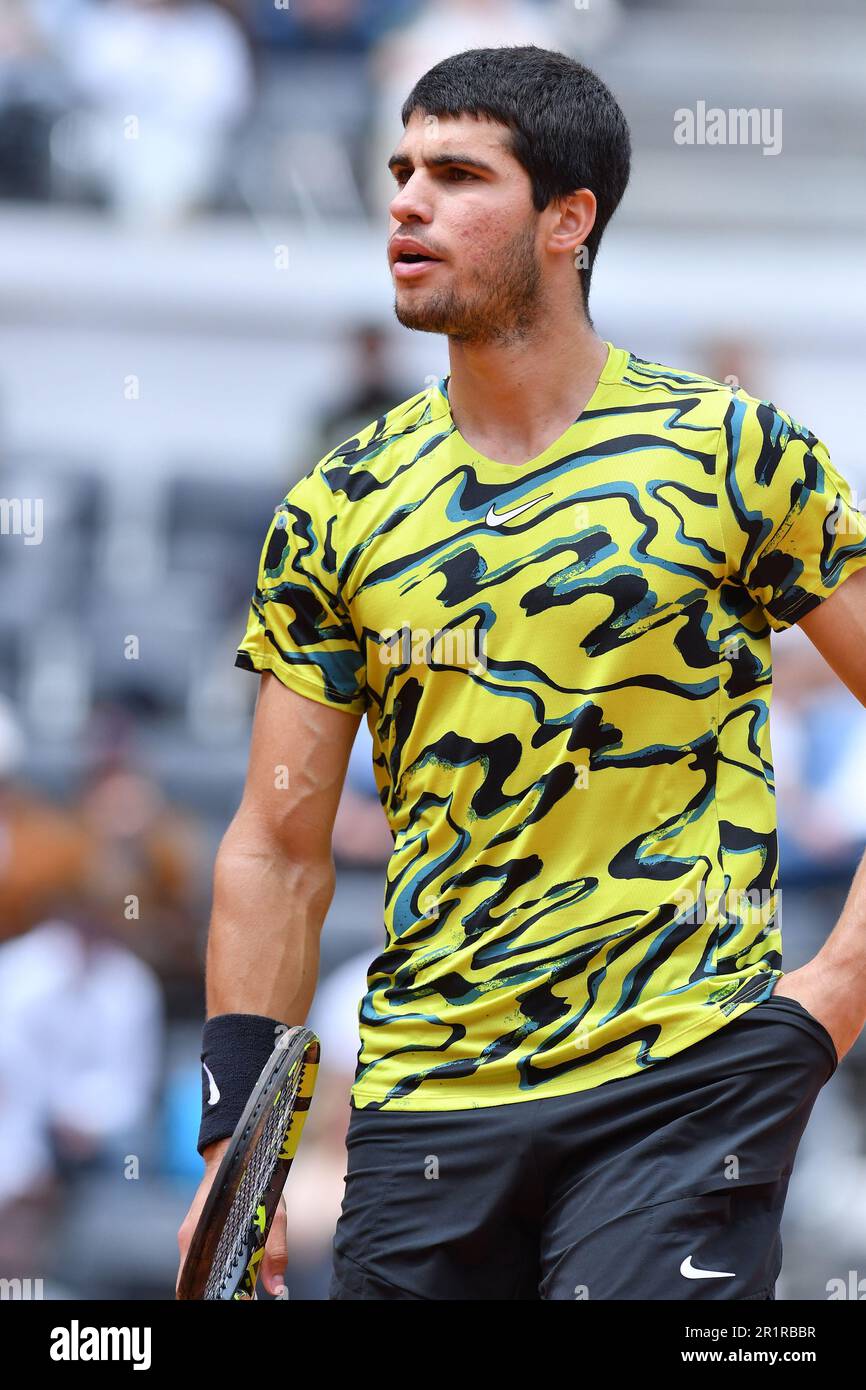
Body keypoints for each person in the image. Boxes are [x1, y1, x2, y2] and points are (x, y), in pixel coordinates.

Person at [177, 46, 866, 1301]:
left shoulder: (728, 451)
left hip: (680, 1081)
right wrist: (243, 1146)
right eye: (399, 170)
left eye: (454, 173)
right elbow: (277, 847)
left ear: (567, 220)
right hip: (424, 1107)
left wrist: (828, 996)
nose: (405, 201)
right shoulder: (340, 501)